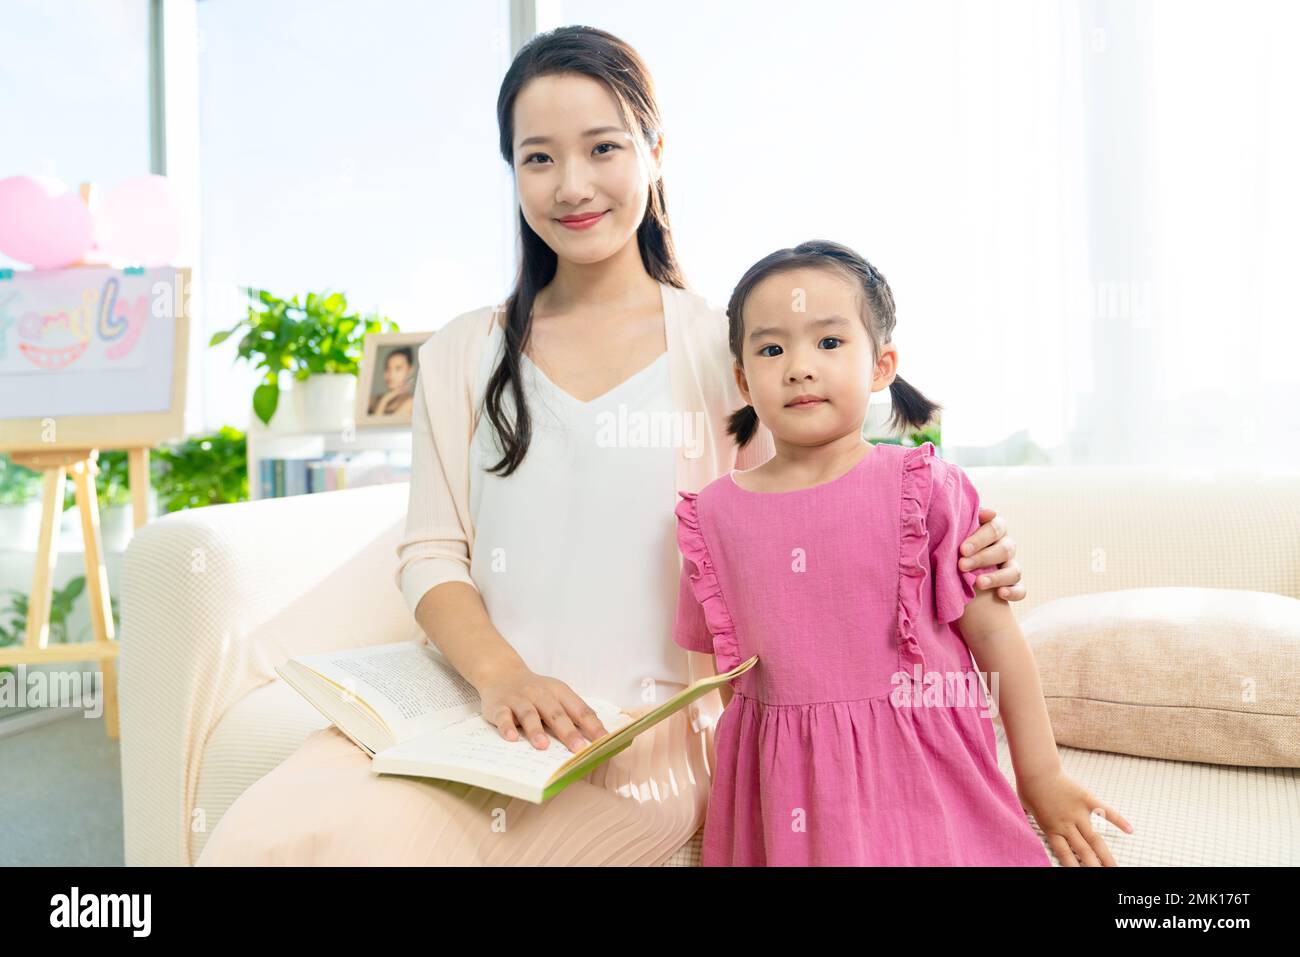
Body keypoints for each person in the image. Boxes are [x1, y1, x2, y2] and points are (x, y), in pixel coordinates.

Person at [194, 26, 1027, 867]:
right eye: (539, 158)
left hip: (633, 744)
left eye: (603, 148)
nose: (573, 185)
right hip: (470, 708)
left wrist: (964, 546)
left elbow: (829, 482)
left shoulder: (723, 350)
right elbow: (432, 554)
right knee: (259, 835)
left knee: (394, 849)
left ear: (656, 153)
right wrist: (501, 678)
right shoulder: (459, 354)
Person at [673, 240, 1134, 866]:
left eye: (829, 343)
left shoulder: (926, 488)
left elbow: (996, 639)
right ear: (741, 378)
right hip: (787, 802)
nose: (799, 367)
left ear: (882, 365)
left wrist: (1041, 776)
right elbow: (727, 682)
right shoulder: (712, 516)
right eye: (771, 348)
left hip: (924, 778)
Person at [367, 347, 416, 416]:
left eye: (398, 368)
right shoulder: (373, 399)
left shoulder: (410, 403)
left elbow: (377, 425)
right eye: (387, 368)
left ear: (410, 370)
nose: (391, 374)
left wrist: (384, 401)